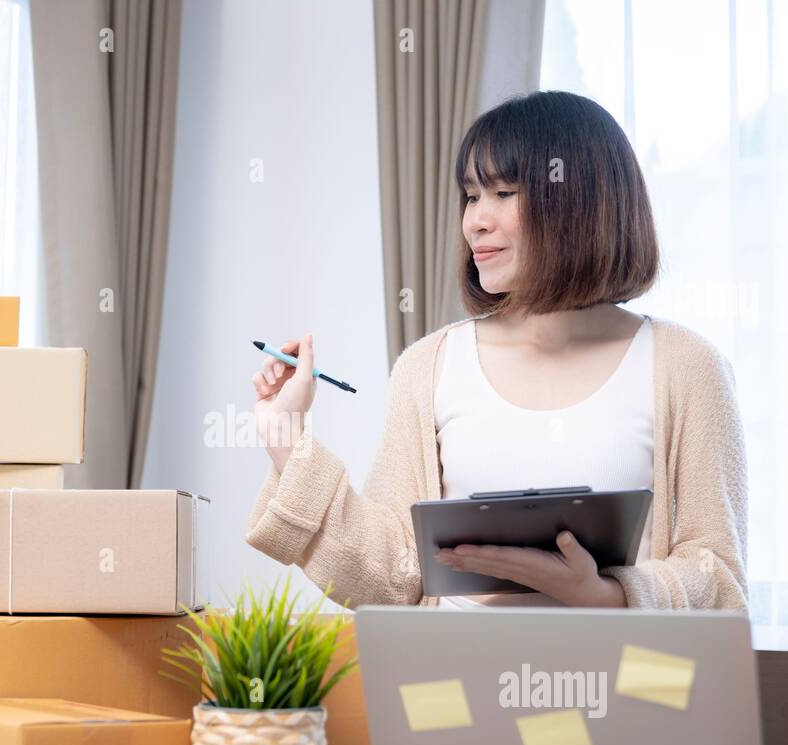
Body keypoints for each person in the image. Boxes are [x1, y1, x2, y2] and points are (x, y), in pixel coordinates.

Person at [245, 91, 747, 612]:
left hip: (619, 687)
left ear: (581, 201)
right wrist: (287, 437)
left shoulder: (687, 368)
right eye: (470, 196)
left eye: (503, 192)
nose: (475, 222)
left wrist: (605, 595)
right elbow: (393, 578)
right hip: (453, 689)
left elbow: (719, 577)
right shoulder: (428, 366)